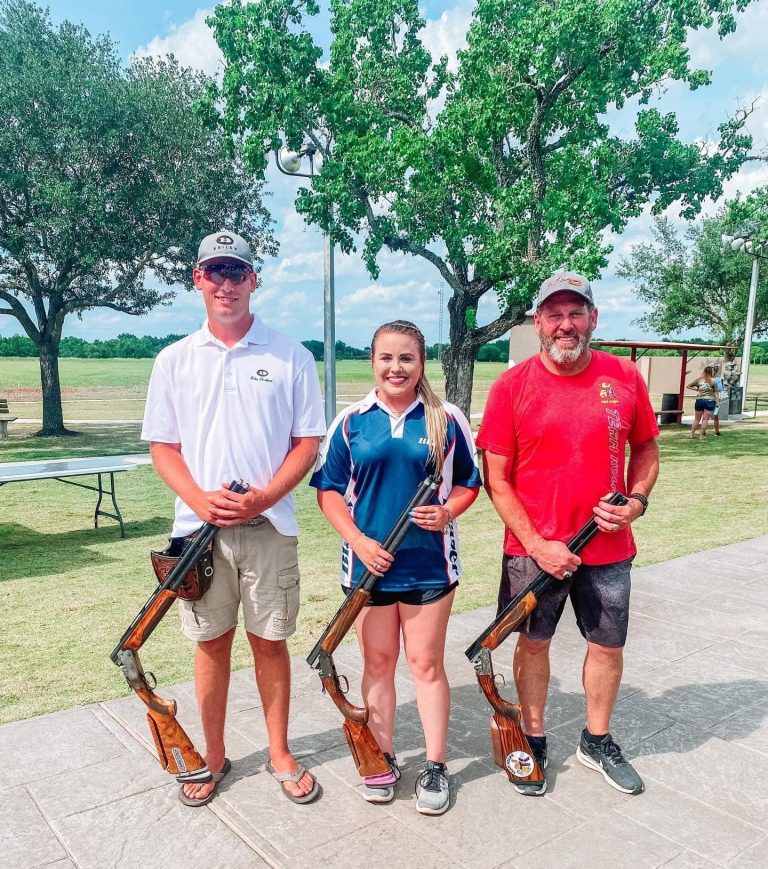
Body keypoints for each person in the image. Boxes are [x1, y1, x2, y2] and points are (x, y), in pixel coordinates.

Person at [141, 230, 326, 807]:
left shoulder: (291, 355)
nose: (226, 284)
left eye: (237, 272)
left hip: (270, 528)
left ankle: (279, 752)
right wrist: (199, 500)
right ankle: (215, 755)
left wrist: (264, 497)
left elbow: (307, 442)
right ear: (198, 279)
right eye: (215, 272)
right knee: (210, 643)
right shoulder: (174, 360)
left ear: (254, 280)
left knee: (270, 642)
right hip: (198, 534)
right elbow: (163, 447)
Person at [476, 272, 659, 797]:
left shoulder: (624, 376)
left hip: (607, 548)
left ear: (593, 318)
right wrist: (538, 545)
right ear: (538, 322)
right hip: (532, 551)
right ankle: (533, 738)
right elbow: (496, 479)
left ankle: (596, 741)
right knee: (533, 644)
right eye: (554, 314)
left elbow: (646, 448)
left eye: (576, 313)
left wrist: (637, 501)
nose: (565, 324)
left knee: (607, 646)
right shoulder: (511, 386)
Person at [310, 320, 481, 815]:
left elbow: (469, 482)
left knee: (426, 665)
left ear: (422, 363)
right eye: (386, 357)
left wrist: (448, 512)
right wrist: (359, 541)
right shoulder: (351, 421)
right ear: (373, 362)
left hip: (430, 566)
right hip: (368, 570)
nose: (396, 367)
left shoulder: (446, 417)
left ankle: (435, 765)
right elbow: (328, 491)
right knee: (378, 664)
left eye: (407, 358)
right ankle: (382, 758)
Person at [687, 365, 720, 440]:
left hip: (699, 400)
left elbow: (688, 386)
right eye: (713, 371)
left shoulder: (699, 380)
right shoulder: (713, 381)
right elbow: (716, 393)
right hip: (709, 401)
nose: (714, 372)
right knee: (705, 419)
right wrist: (717, 403)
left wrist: (697, 389)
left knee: (696, 419)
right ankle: (701, 436)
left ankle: (691, 434)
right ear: (711, 372)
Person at [711, 364, 725, 436]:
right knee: (706, 416)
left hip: (714, 400)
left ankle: (716, 431)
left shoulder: (718, 380)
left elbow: (719, 391)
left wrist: (718, 401)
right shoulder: (704, 378)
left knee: (715, 415)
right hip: (709, 399)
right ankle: (704, 431)